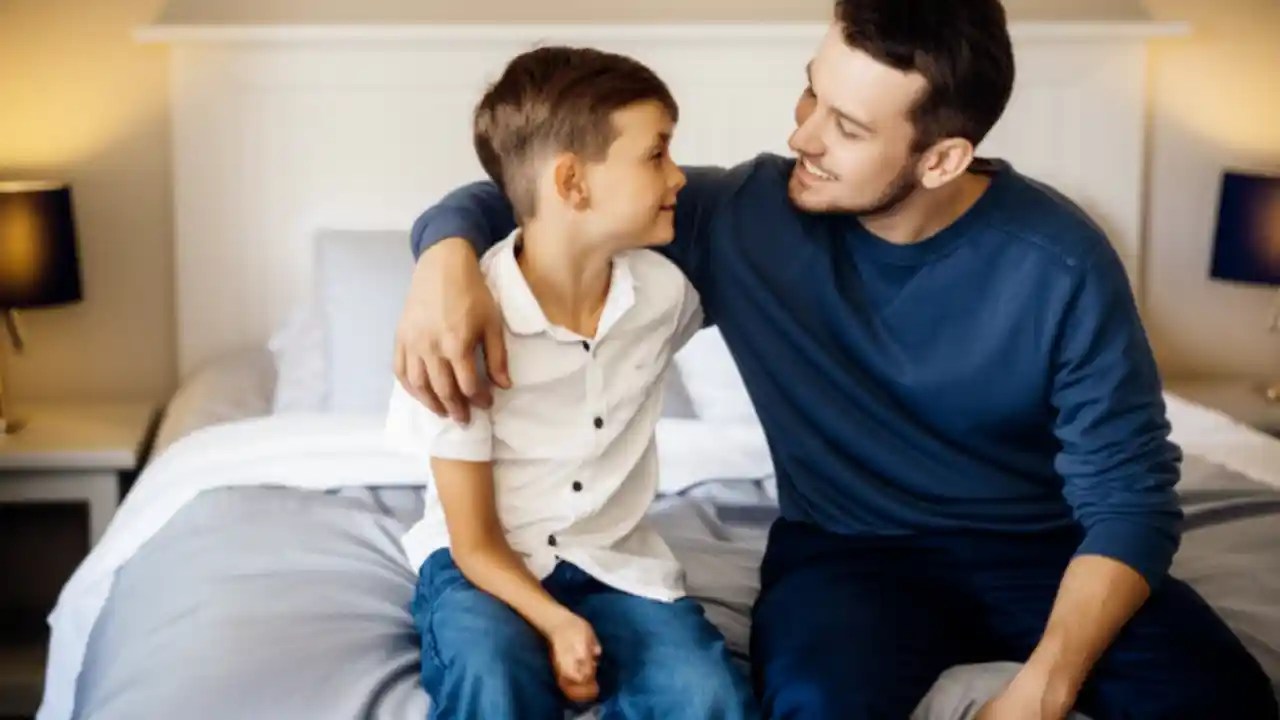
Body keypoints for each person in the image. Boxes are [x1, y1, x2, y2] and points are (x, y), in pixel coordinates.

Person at [392, 2, 1280, 719]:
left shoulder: (1060, 261)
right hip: (848, 556)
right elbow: (538, 189)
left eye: (846, 126)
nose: (804, 138)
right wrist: (444, 260)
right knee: (809, 706)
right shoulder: (743, 213)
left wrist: (1045, 688)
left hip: (1043, 551)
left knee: (1228, 703)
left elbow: (1130, 501)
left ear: (941, 158)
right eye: (809, 95)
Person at [385, 46, 759, 720]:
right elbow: (473, 542)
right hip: (483, 568)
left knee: (705, 695)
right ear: (572, 182)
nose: (678, 175)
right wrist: (557, 624)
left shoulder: (666, 296)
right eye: (656, 154)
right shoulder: (458, 328)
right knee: (490, 672)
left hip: (617, 566)